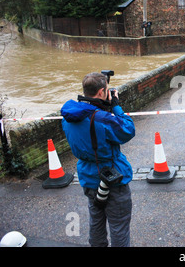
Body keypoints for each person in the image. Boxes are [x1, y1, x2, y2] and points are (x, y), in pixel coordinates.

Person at [61, 72, 136, 247]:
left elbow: (89, 126)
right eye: (107, 91)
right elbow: (127, 130)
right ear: (102, 92)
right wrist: (116, 107)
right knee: (119, 227)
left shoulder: (69, 116)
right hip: (111, 178)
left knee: (96, 222)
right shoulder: (102, 118)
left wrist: (102, 108)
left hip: (88, 177)